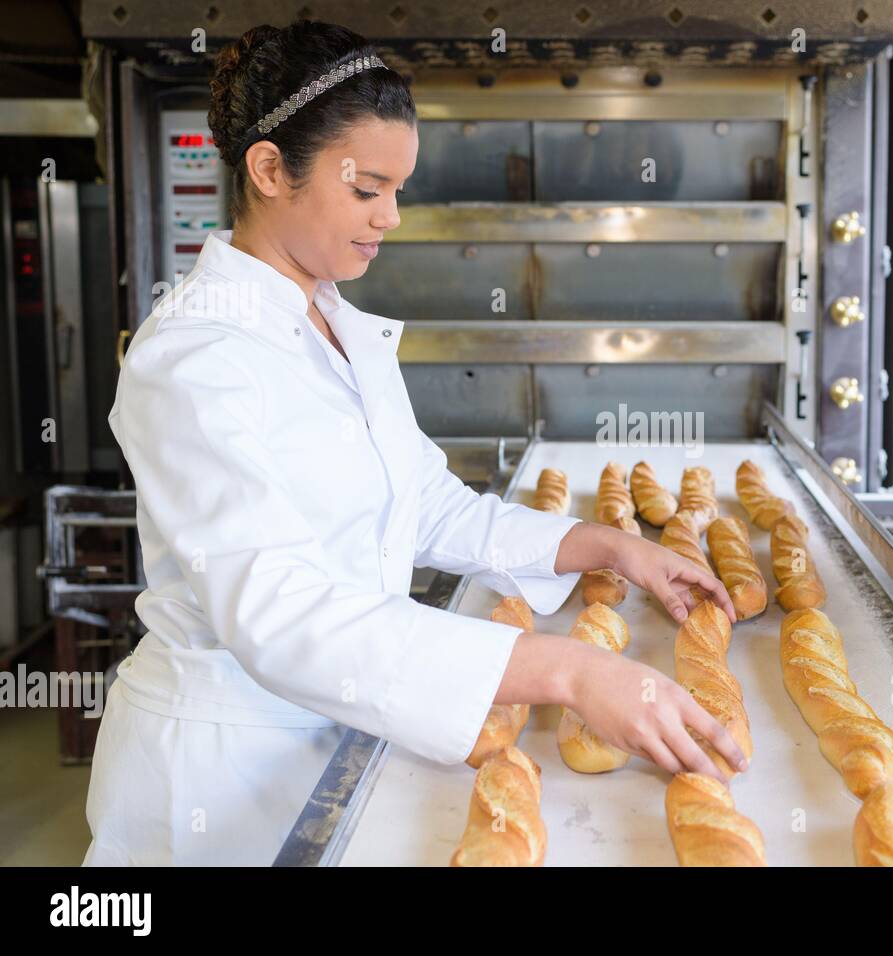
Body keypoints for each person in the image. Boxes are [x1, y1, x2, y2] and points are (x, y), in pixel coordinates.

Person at [83, 19, 745, 866]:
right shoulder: (193, 357)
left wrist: (609, 546)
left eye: (401, 189)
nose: (391, 217)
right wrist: (569, 673)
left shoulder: (339, 325)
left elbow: (426, 505)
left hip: (347, 739)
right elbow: (278, 612)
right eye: (368, 191)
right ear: (269, 168)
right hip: (222, 780)